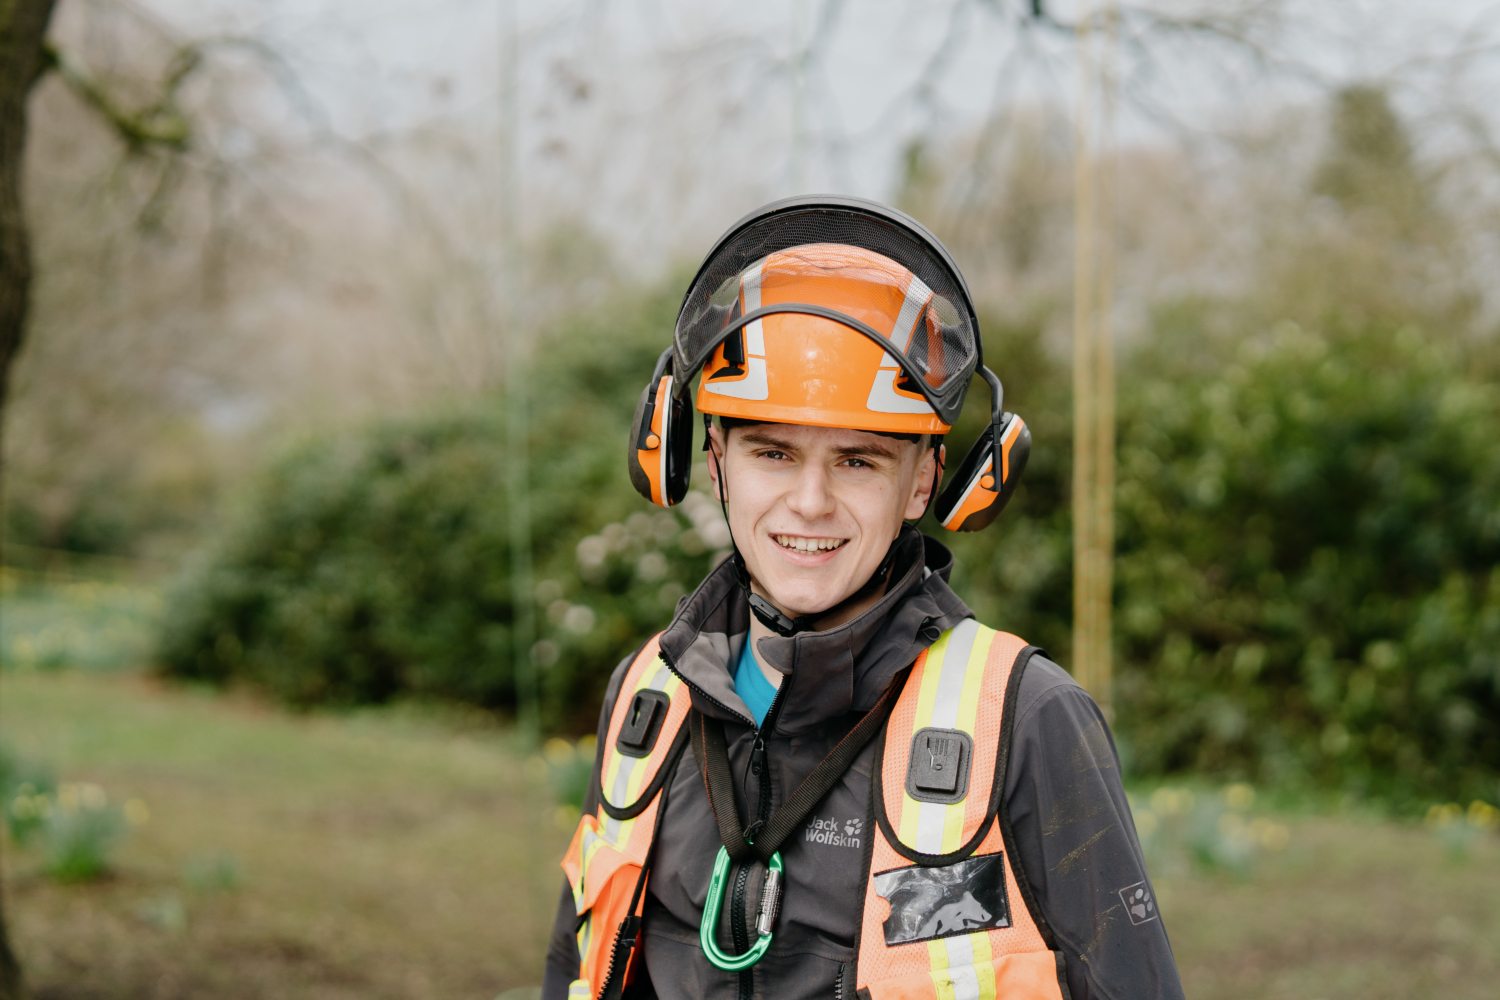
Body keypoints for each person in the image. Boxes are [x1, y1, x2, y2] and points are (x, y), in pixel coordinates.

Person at [543, 196, 1183, 1000]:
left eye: (858, 462)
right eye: (774, 453)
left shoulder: (1025, 720)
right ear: (711, 462)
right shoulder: (647, 699)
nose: (809, 503)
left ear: (923, 481)